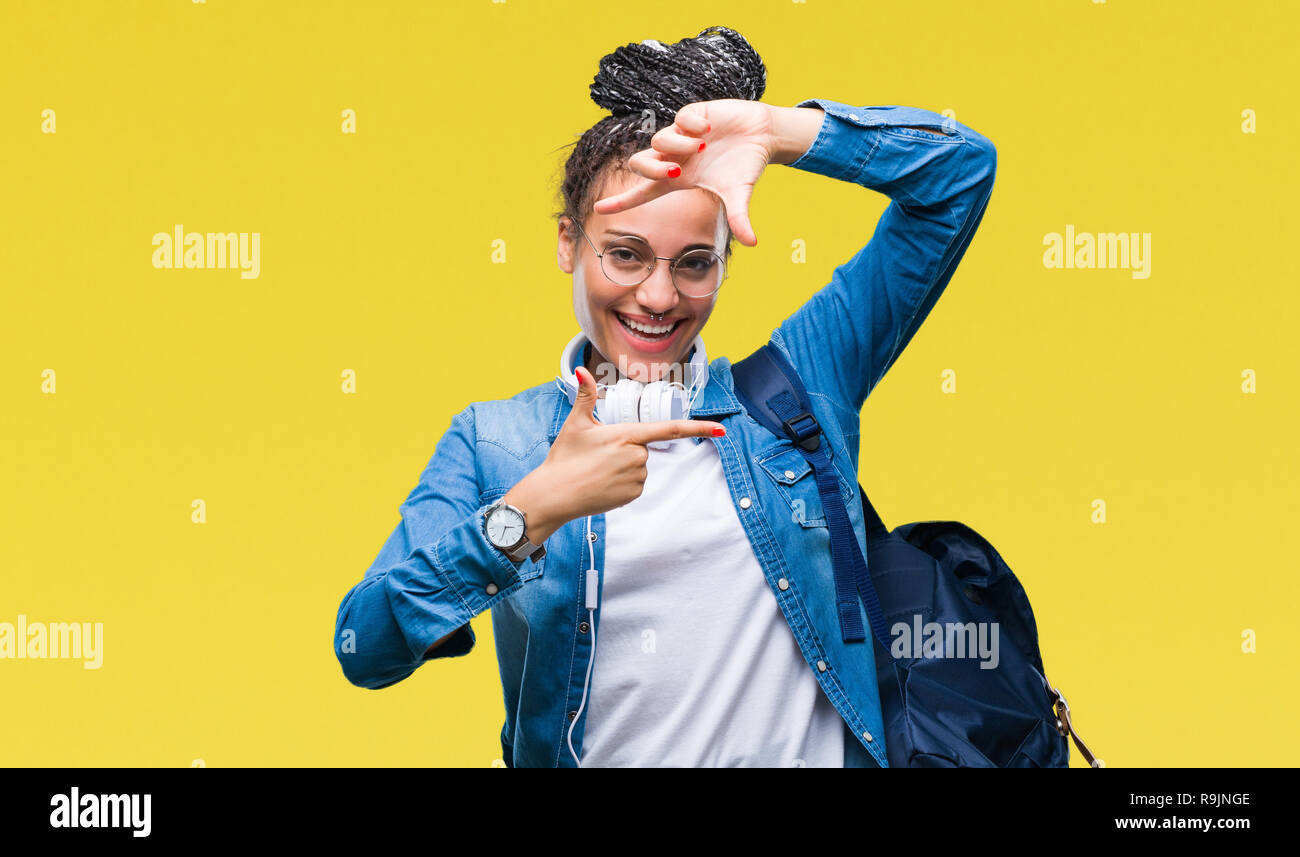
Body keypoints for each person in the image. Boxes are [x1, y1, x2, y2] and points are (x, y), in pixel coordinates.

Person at [333, 25, 997, 768]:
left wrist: (781, 132)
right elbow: (368, 642)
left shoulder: (803, 384)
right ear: (567, 242)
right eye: (624, 254)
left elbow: (959, 175)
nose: (658, 296)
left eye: (693, 263)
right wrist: (533, 511)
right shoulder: (497, 442)